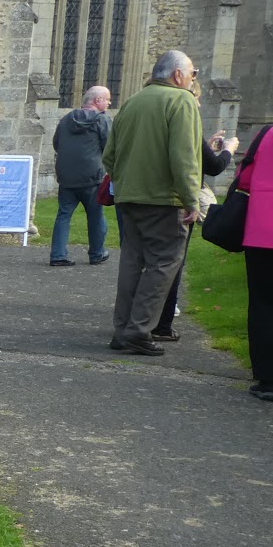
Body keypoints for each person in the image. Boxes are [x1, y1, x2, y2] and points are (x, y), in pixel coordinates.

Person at [102, 50, 202, 356]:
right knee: (164, 263)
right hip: (164, 199)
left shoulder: (133, 101)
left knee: (132, 262)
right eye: (192, 73)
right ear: (177, 75)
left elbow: (109, 157)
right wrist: (191, 199)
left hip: (128, 197)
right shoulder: (181, 101)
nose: (192, 79)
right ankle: (138, 330)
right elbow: (184, 157)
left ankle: (124, 329)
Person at [152, 129, 239, 341]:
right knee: (172, 262)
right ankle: (161, 324)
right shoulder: (186, 127)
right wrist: (228, 150)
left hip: (143, 200)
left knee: (144, 260)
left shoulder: (154, 127)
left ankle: (136, 320)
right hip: (175, 203)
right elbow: (214, 166)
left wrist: (206, 147)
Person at [50, 85, 112, 266]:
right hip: (92, 177)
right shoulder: (102, 120)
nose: (109, 102)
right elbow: (110, 147)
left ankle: (58, 255)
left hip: (66, 176)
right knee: (95, 215)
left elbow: (56, 144)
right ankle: (97, 253)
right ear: (97, 100)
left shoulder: (66, 119)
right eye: (107, 99)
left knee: (63, 215)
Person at [236, 124, 273, 400]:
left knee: (262, 302)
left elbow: (244, 178)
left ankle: (267, 377)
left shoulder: (266, 134)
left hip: (263, 229)